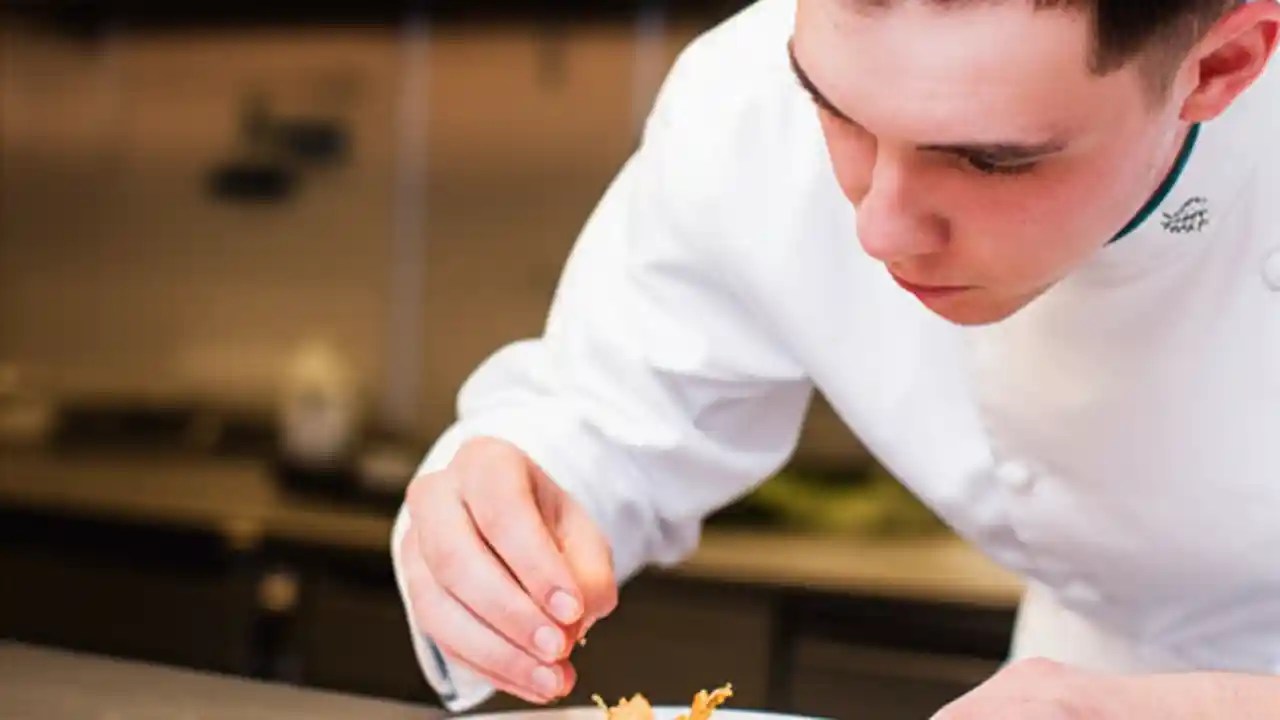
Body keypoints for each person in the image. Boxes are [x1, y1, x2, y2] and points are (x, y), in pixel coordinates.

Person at [390, 0, 1280, 716]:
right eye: (833, 109)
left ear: (1221, 66)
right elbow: (602, 415)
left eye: (987, 160)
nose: (878, 228)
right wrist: (510, 511)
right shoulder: (746, 97)